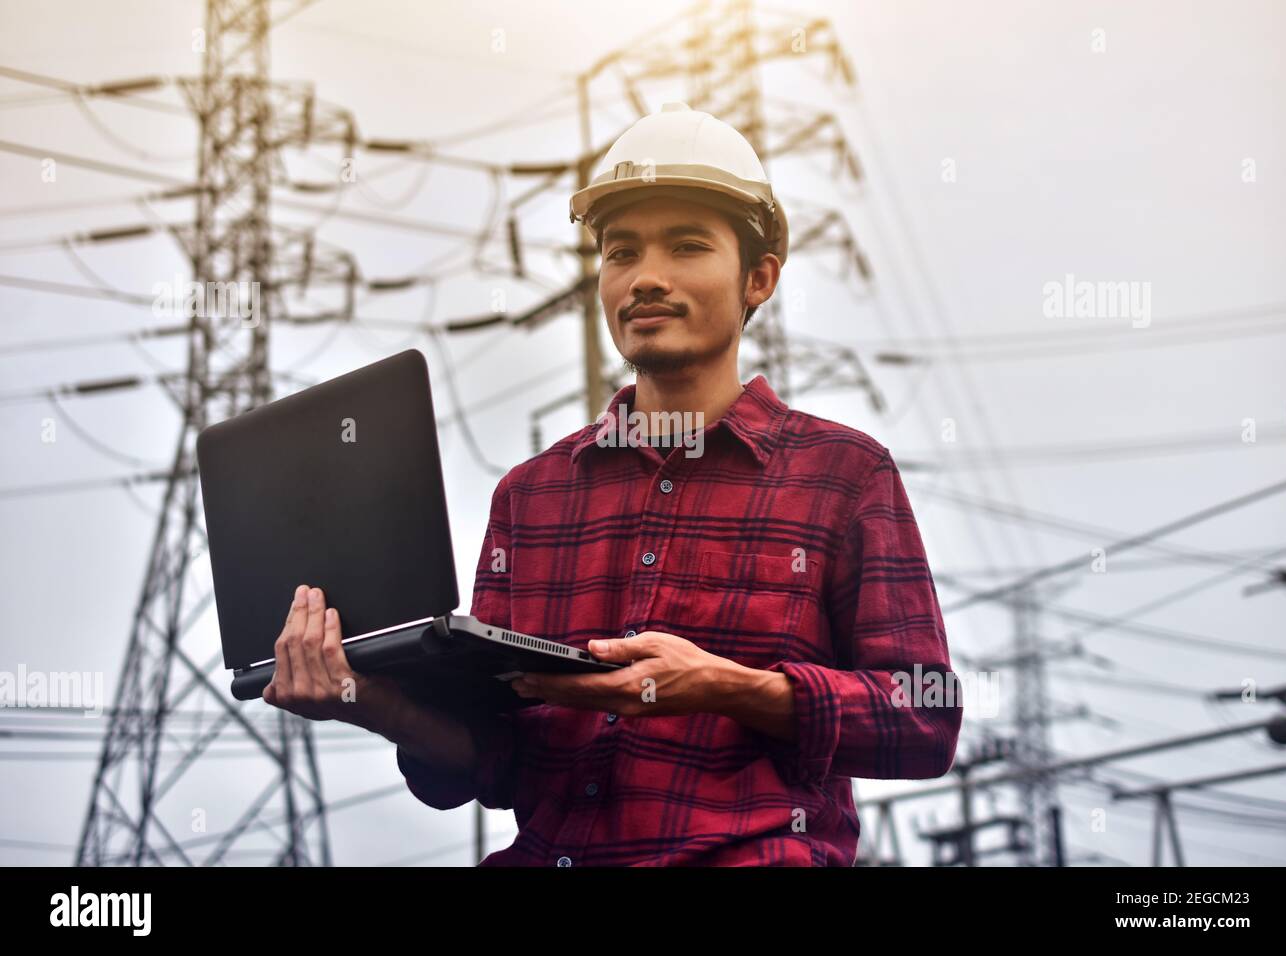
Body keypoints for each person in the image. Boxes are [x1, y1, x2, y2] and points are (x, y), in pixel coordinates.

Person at [262, 103, 962, 866]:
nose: (646, 279)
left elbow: (924, 722)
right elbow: (494, 763)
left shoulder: (843, 475)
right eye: (621, 252)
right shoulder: (530, 498)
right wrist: (368, 701)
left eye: (687, 246)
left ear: (759, 277)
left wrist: (727, 687)